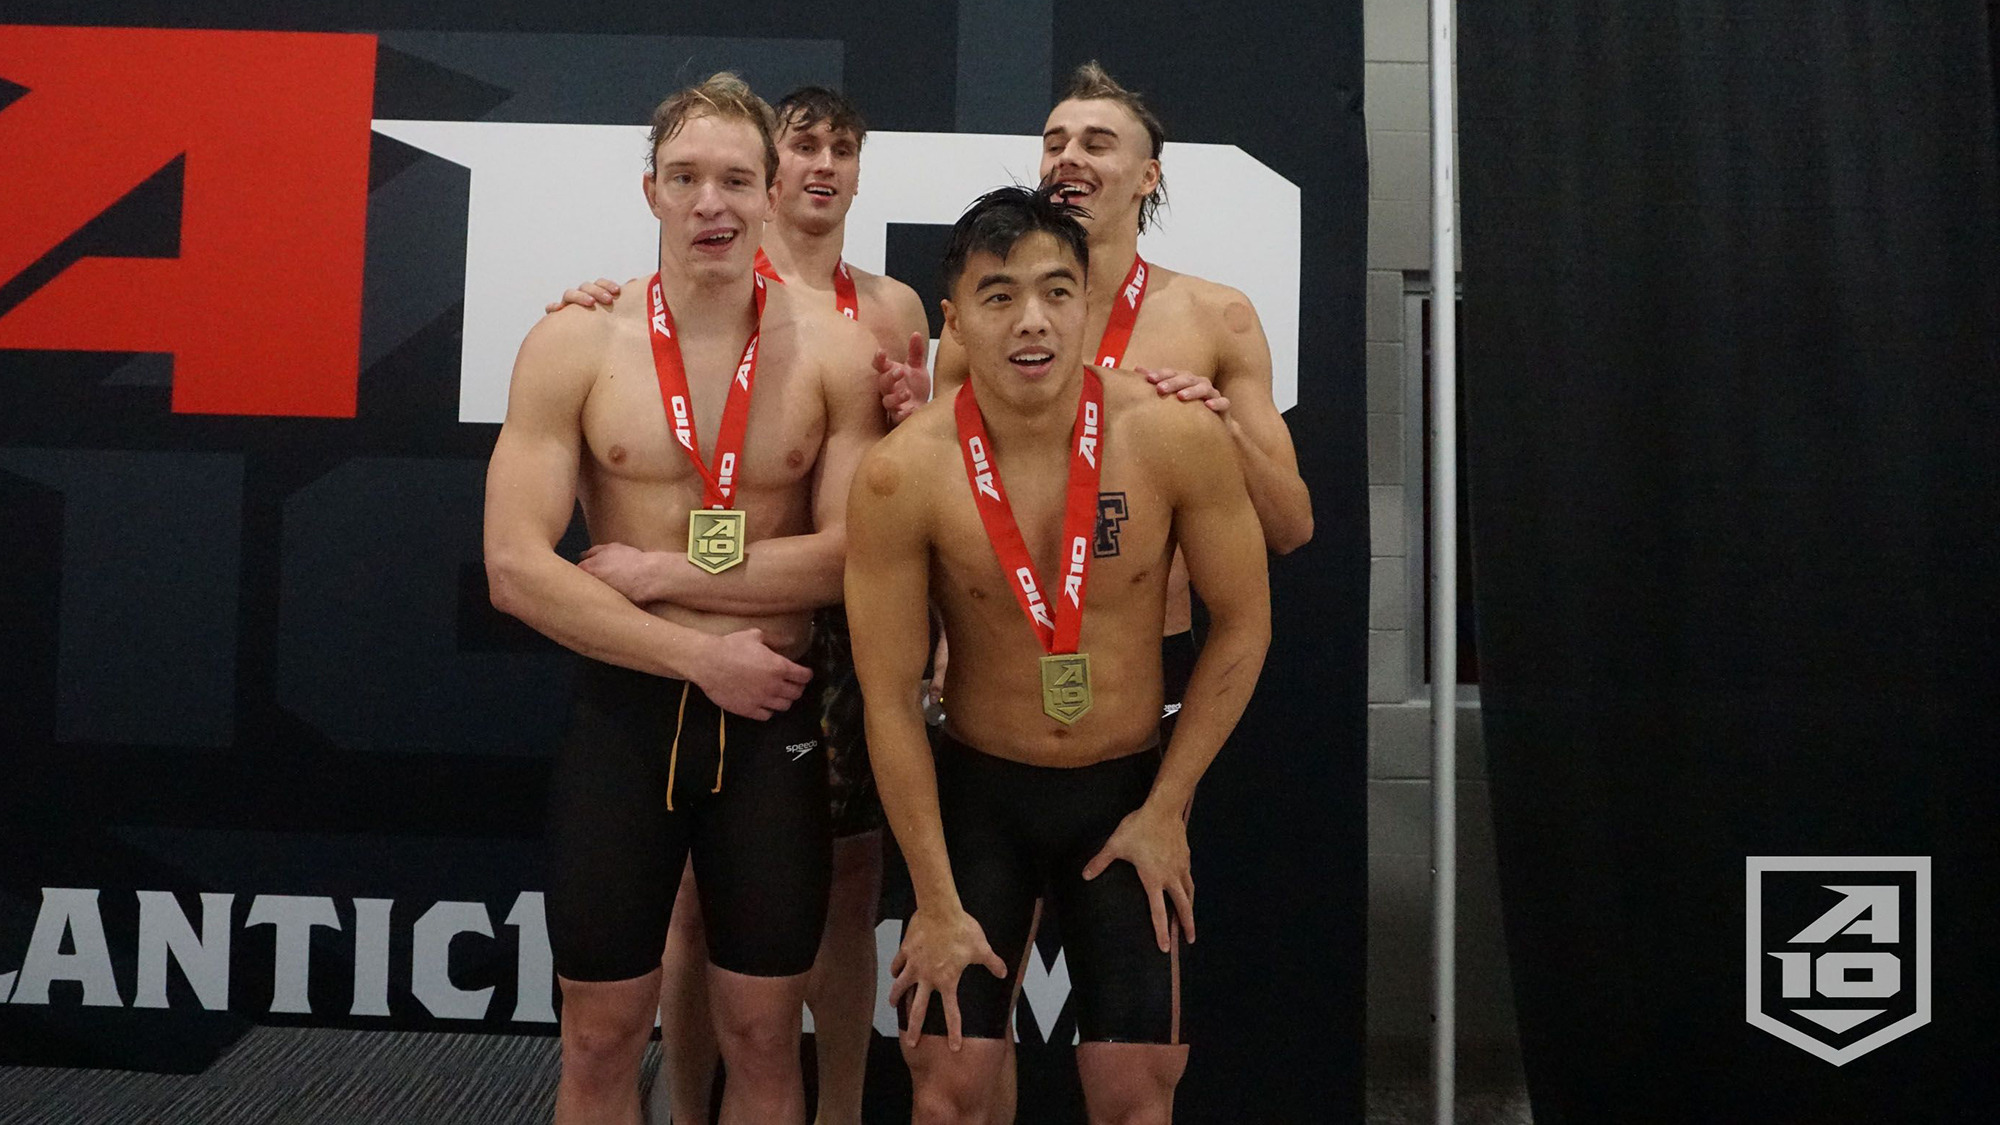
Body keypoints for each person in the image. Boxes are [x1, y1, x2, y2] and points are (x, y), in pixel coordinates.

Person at [482, 72, 883, 1125]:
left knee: (762, 1039)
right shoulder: (572, 343)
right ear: (649, 191)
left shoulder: (834, 349)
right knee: (601, 1035)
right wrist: (699, 657)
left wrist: (669, 575)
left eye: (735, 179)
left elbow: (851, 559)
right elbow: (516, 567)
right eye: (686, 177)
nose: (711, 201)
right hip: (628, 719)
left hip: (772, 730)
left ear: (768, 192)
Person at [844, 186, 1271, 1125]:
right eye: (999, 296)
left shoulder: (1172, 436)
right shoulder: (902, 471)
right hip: (976, 798)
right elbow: (886, 694)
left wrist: (1168, 807)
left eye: (1056, 291)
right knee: (948, 1085)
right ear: (954, 319)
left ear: (1087, 300)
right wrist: (935, 897)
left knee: (1134, 1089)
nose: (1031, 321)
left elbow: (1244, 625)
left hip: (1124, 793)